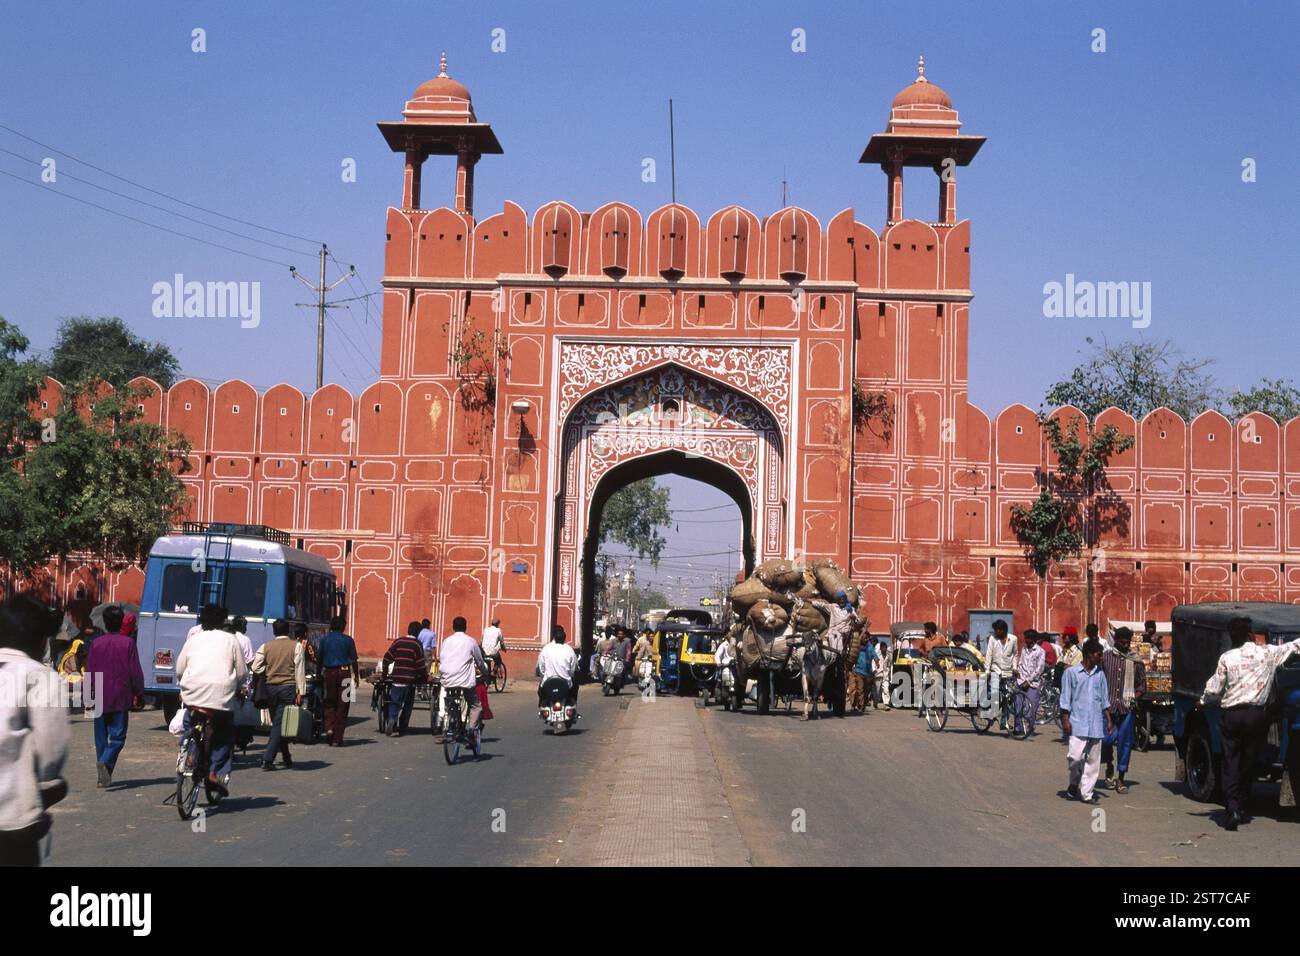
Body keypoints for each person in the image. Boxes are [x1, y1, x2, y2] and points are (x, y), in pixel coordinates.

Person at [1201, 616, 1300, 830]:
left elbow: (1214, 689)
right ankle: (1243, 805)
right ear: (1251, 635)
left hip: (1231, 716)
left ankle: (1234, 809)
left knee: (1230, 763)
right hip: (1257, 717)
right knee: (1248, 762)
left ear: (1232, 637)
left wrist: (1203, 701)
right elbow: (1295, 646)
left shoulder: (1227, 658)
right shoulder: (1268, 653)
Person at [0, 594, 68, 866]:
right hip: (11, 819)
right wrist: (50, 784)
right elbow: (51, 751)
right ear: (42, 642)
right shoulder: (39, 676)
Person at [176, 604, 246, 793]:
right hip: (220, 698)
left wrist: (183, 684)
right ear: (223, 620)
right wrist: (240, 687)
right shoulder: (231, 640)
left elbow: (180, 669)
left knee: (189, 723)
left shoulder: (193, 639)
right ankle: (215, 771)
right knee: (224, 736)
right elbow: (241, 672)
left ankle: (188, 752)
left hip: (192, 694)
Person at [83, 605, 144, 789]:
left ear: (105, 622)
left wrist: (87, 697)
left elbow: (90, 671)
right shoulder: (128, 644)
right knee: (117, 737)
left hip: (98, 694)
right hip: (120, 694)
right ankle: (106, 764)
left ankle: (103, 775)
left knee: (100, 737)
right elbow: (135, 672)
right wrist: (139, 693)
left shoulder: (96, 643)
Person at [1060, 638, 1113, 804]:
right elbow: (1065, 699)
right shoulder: (1071, 673)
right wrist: (1065, 720)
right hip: (1077, 723)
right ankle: (1074, 783)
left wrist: (1109, 720)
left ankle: (1087, 794)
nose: (1101, 658)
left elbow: (1104, 700)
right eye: (1099, 654)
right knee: (1075, 758)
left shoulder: (1100, 675)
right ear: (1089, 655)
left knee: (1092, 762)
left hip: (1096, 725)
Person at [252, 618, 305, 768]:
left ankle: (287, 757)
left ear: (274, 631)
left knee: (278, 722)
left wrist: (267, 671)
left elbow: (256, 667)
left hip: (270, 688)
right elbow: (299, 670)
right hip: (287, 688)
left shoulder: (265, 646)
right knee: (279, 724)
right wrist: (301, 691)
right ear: (288, 630)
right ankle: (268, 759)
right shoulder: (296, 646)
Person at [1100, 625, 1145, 793]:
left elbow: (1142, 684)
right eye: (1122, 642)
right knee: (1106, 740)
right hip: (1108, 708)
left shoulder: (1135, 661)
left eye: (1128, 643)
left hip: (1127, 709)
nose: (1126, 646)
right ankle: (1109, 765)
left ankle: (1121, 778)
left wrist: (1135, 696)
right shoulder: (1105, 658)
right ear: (1116, 641)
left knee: (1125, 744)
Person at [441, 617, 488, 745]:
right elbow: (479, 661)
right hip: (465, 681)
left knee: (450, 700)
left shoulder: (446, 641)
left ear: (453, 627)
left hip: (447, 679)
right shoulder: (471, 642)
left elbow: (442, 658)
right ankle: (472, 730)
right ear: (465, 627)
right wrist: (485, 673)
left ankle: (450, 721)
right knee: (475, 705)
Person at [382, 622, 429, 737]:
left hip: (397, 677)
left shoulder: (398, 642)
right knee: (408, 703)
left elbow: (387, 657)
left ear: (408, 630)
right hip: (410, 679)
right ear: (418, 633)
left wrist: (384, 673)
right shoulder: (417, 644)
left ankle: (392, 718)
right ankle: (402, 727)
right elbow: (420, 665)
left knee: (394, 701)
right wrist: (424, 677)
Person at [318, 614, 359, 747]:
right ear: (343, 627)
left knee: (329, 701)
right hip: (345, 672)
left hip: (329, 673)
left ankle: (329, 728)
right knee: (344, 704)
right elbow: (354, 660)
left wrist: (319, 674)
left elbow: (319, 660)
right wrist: (356, 676)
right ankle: (337, 738)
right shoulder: (349, 640)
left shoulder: (324, 640)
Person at [536, 624, 580, 709]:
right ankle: (573, 705)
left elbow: (541, 669)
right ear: (564, 638)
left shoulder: (546, 649)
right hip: (565, 683)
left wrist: (544, 677)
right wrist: (569, 676)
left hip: (548, 682)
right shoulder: (569, 650)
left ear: (554, 637)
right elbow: (573, 670)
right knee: (575, 687)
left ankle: (542, 707)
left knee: (541, 692)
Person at [984, 619, 1018, 723]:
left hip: (1008, 672)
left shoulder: (1013, 639)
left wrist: (1015, 668)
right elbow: (989, 654)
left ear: (1004, 630)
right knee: (995, 695)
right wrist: (987, 670)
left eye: (999, 630)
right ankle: (991, 714)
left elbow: (1015, 654)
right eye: (995, 630)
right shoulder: (992, 639)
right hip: (995, 670)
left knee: (1008, 697)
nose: (997, 632)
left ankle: (1004, 719)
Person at [1013, 630, 1045, 737]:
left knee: (1031, 707)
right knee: (1018, 705)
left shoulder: (1040, 651)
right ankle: (1018, 728)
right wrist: (1019, 675)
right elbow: (1021, 663)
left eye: (1028, 638)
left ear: (1033, 639)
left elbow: (1039, 669)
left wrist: (1029, 681)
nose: (1026, 640)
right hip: (1021, 681)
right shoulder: (1024, 649)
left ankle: (1029, 727)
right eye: (1025, 638)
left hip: (1033, 684)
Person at [849, 637, 872, 712]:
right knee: (856, 689)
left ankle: (861, 705)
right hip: (855, 671)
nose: (866, 639)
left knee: (864, 690)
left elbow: (874, 657)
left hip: (867, 673)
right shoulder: (855, 648)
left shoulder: (869, 648)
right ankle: (855, 705)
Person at [871, 637, 887, 709]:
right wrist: (874, 669)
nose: (884, 649)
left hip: (883, 673)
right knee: (877, 689)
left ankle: (884, 703)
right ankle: (876, 702)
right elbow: (874, 661)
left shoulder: (887, 654)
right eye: (883, 648)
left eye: (885, 648)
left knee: (883, 688)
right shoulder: (877, 652)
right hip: (878, 672)